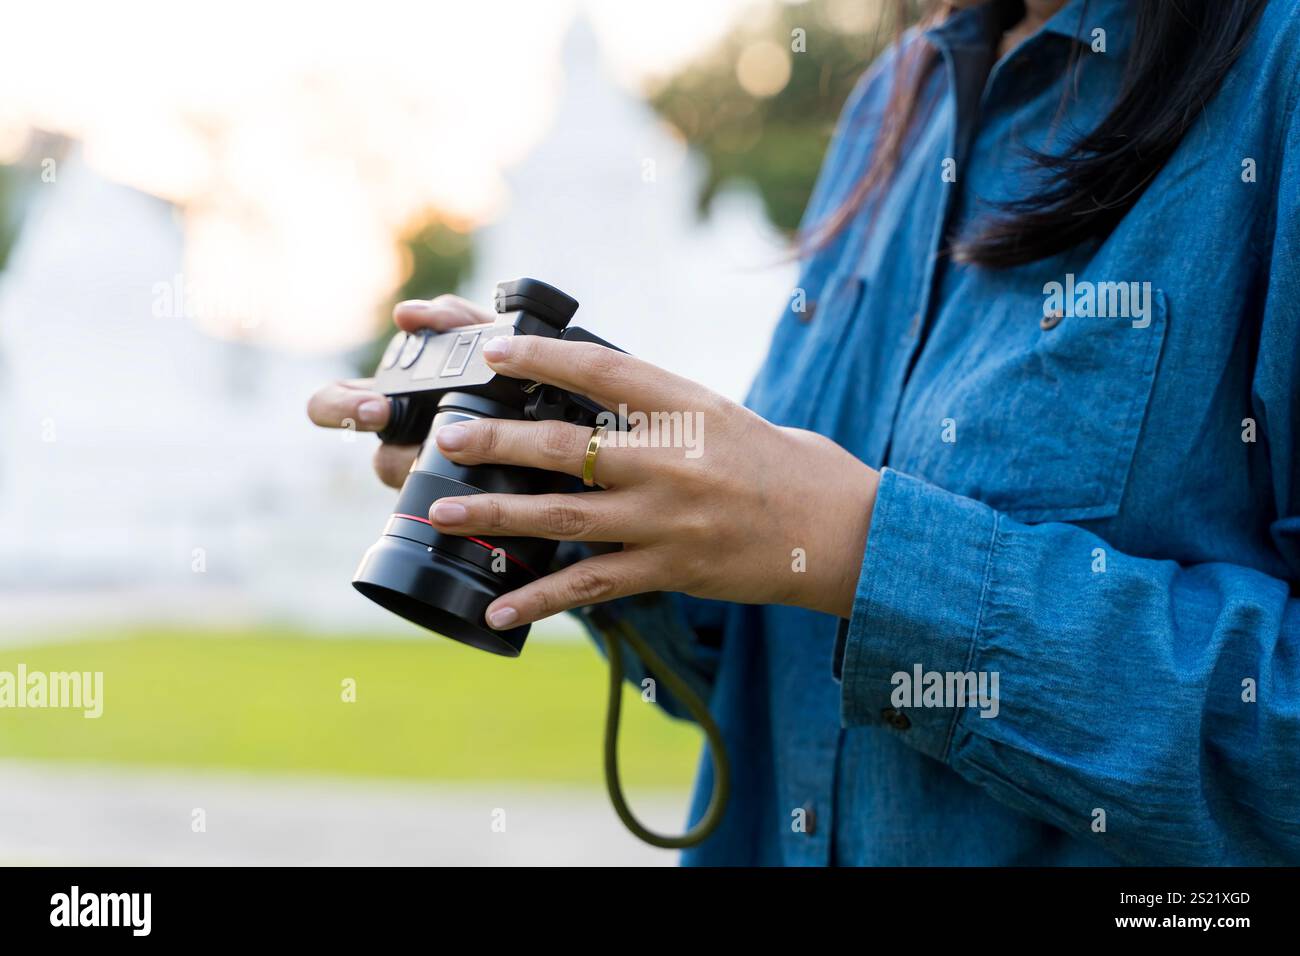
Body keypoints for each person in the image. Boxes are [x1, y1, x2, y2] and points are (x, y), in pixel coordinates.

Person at [309, 0, 1300, 865]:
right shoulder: (896, 102)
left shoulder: (1278, 67)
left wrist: (861, 552)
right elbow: (775, 679)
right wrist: (580, 490)